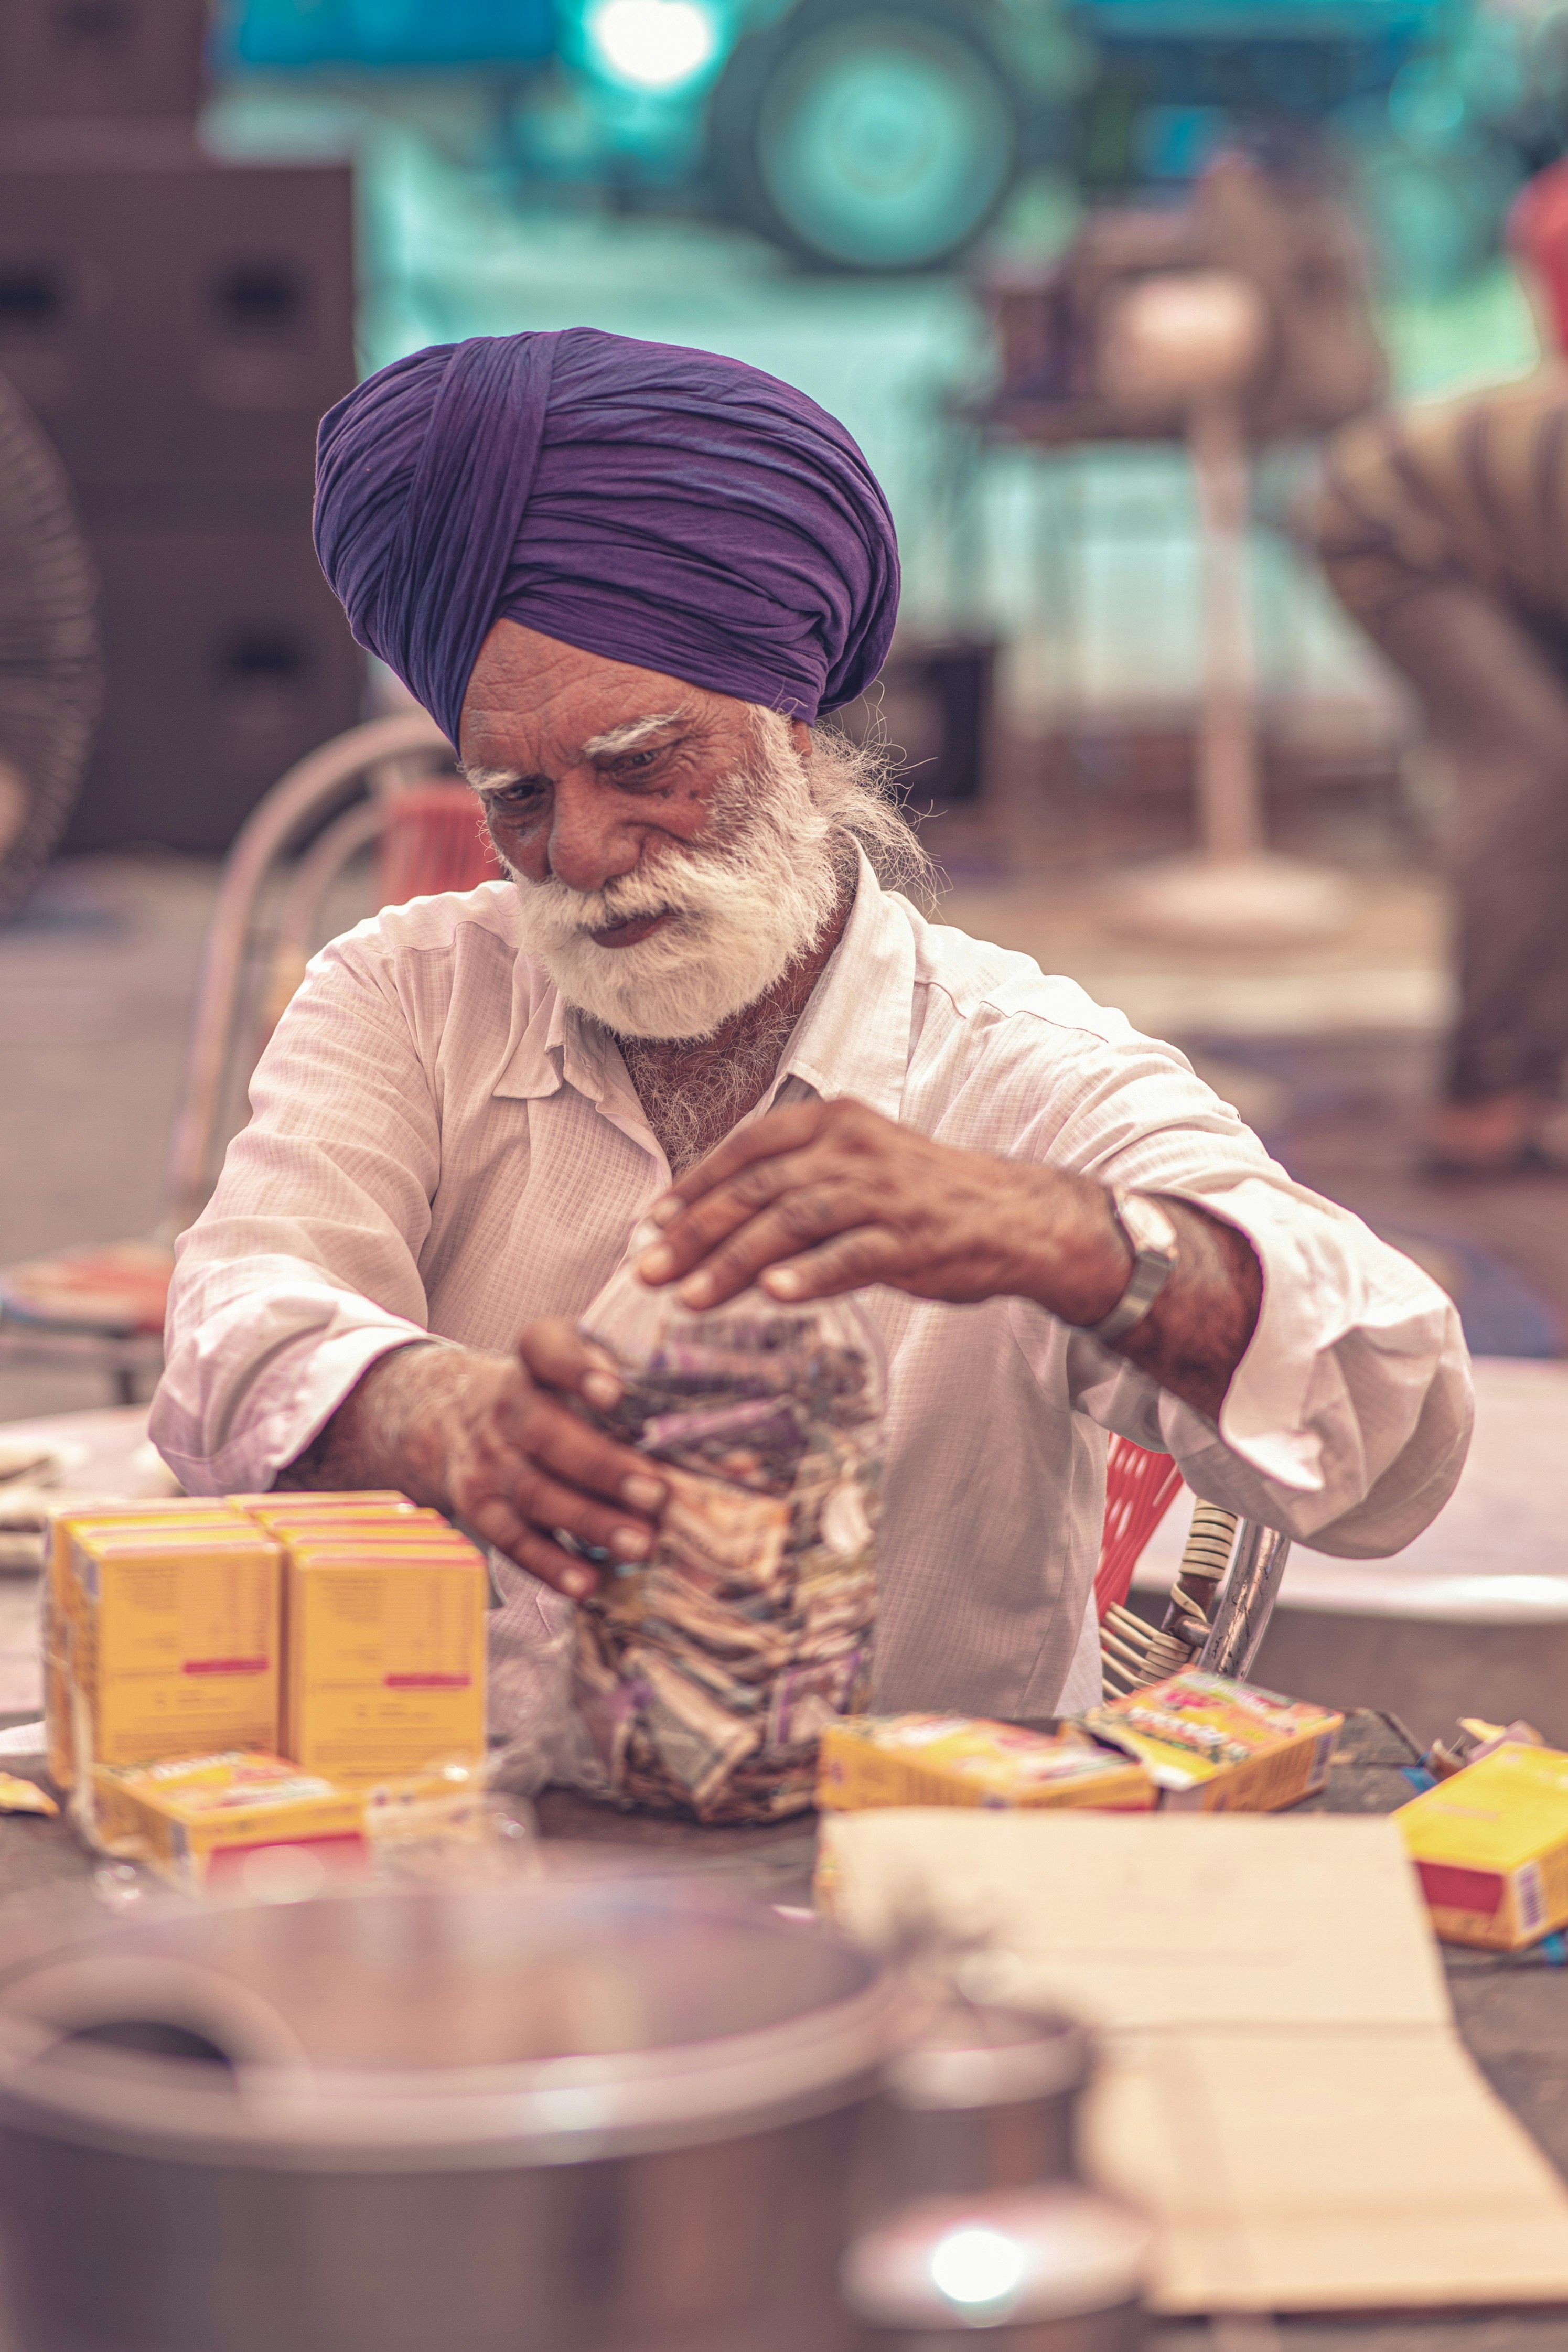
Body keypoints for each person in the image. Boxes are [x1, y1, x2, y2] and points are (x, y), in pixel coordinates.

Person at [150, 329, 1470, 1728]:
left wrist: (1073, 1241)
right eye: (516, 798)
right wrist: (435, 1416)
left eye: (641, 763)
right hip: (470, 1867)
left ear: (792, 720)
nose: (583, 848)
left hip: (903, 1884)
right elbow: (232, 1333)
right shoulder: (409, 996)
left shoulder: (1016, 1073)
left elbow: (1395, 1437)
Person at [1313, 160, 1568, 1176]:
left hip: (1514, 544)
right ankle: (1482, 1090)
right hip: (1394, 526)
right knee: (1535, 775)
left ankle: (1538, 1070)